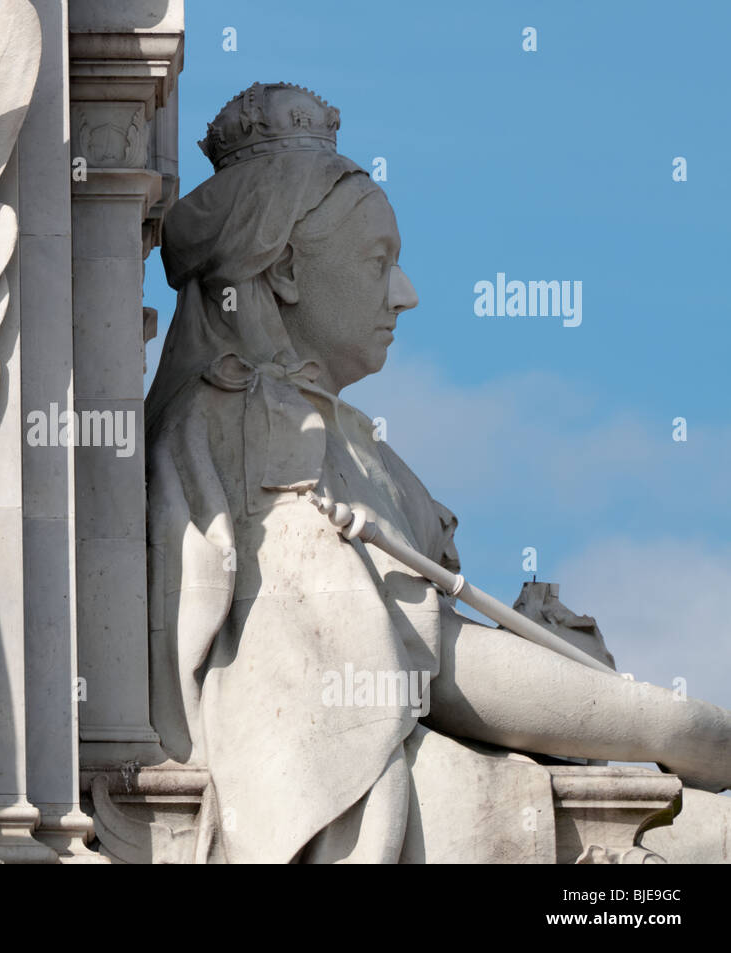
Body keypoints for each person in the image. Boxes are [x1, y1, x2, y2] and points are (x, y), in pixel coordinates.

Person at [146, 82, 731, 863]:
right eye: (378, 261)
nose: (405, 293)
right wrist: (669, 724)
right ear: (284, 272)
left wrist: (574, 683)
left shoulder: (332, 437)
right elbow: (435, 669)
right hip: (377, 807)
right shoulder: (255, 436)